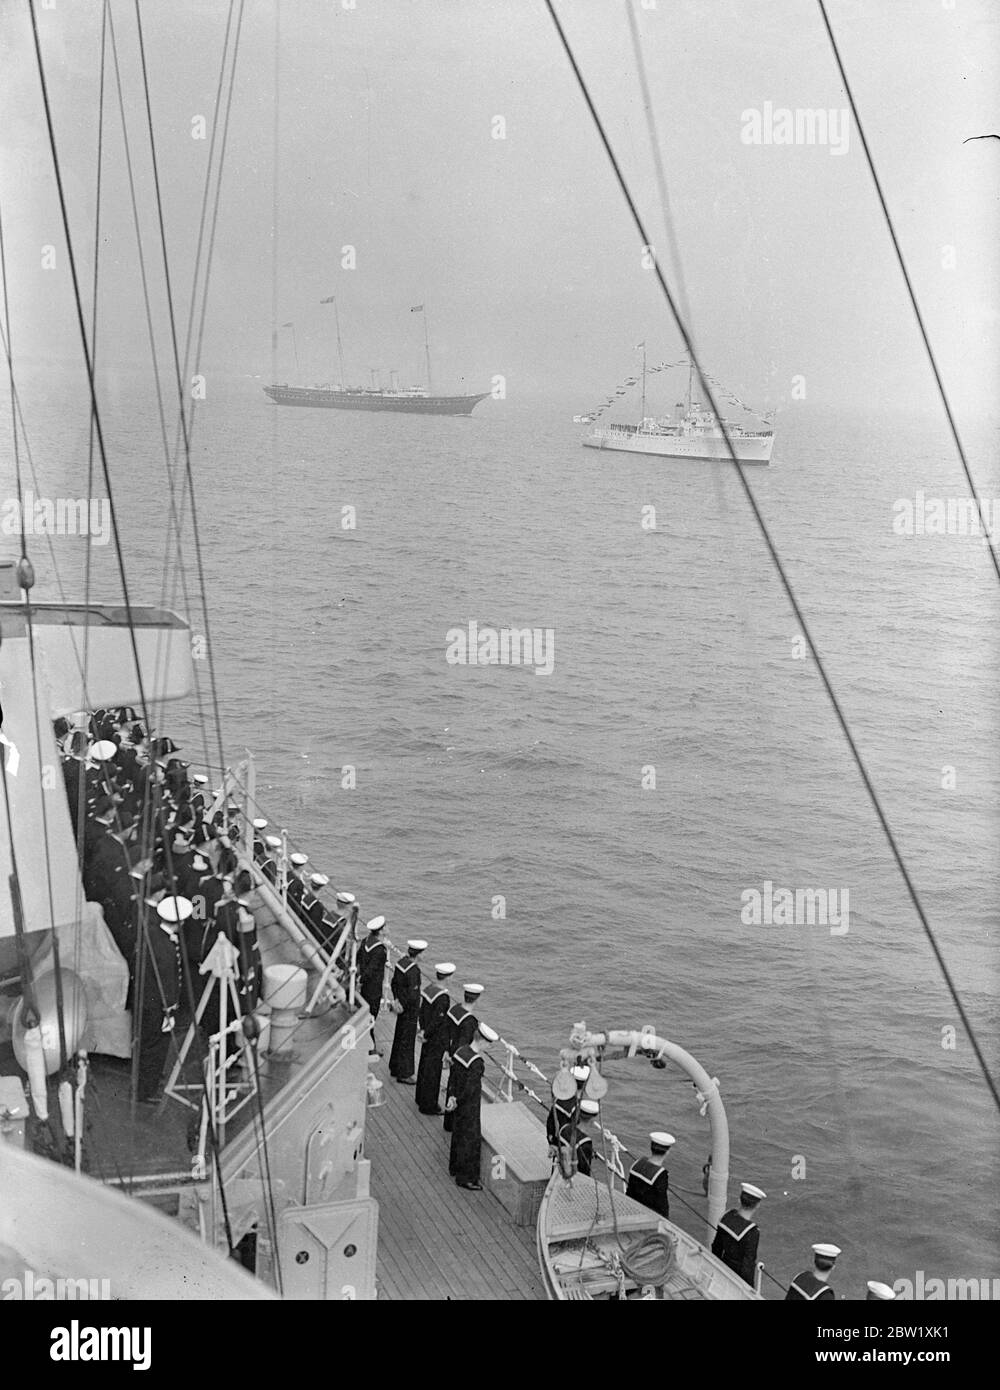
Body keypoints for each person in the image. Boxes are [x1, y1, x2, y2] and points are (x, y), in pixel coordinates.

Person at [136, 895, 191, 1103]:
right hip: (158, 1008)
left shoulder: (152, 934)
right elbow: (167, 981)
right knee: (155, 1048)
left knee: (149, 1045)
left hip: (148, 1002)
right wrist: (170, 1009)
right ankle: (147, 1091)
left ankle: (147, 1083)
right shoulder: (166, 948)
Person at [446, 1023, 498, 1189]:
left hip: (456, 1101)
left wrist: (453, 1098)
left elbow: (453, 1078)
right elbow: (471, 1088)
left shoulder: (460, 1052)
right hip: (469, 1106)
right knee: (470, 1140)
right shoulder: (477, 1063)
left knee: (458, 1134)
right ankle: (466, 1177)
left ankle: (454, 1167)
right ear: (482, 1041)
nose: (488, 1047)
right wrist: (460, 1100)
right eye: (488, 1043)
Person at [415, 962, 456, 1115]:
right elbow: (438, 1020)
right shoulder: (443, 997)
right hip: (436, 1039)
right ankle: (429, 1105)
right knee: (433, 1072)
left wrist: (422, 1031)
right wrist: (427, 1034)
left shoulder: (429, 990)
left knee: (424, 1067)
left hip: (426, 1034)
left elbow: (422, 1012)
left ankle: (420, 1097)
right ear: (448, 977)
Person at [444, 984, 484, 1131]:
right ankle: (453, 1122)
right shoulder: (470, 1021)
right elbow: (465, 1042)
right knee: (459, 1088)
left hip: (450, 1051)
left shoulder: (455, 1009)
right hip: (461, 1057)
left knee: (451, 1085)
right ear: (476, 999)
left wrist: (447, 1052)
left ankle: (448, 1121)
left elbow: (447, 1032)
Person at [711, 1182, 766, 1286]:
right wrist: (750, 1288)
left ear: (739, 1199)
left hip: (722, 1267)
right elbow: (748, 1265)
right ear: (758, 1205)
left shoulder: (727, 1216)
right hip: (737, 1277)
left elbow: (716, 1247)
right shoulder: (752, 1231)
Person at [388, 939, 427, 1083]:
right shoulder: (414, 970)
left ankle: (394, 1066)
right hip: (410, 1010)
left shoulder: (401, 963)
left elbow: (394, 984)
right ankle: (404, 1073)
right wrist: (403, 1005)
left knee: (399, 1036)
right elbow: (413, 993)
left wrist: (397, 1000)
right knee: (407, 1041)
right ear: (418, 954)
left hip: (401, 1005)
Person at [626, 1132, 674, 1218]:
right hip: (647, 1216)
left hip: (630, 1209)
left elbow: (629, 1192)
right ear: (667, 1152)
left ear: (651, 1147)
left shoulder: (637, 1163)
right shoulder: (661, 1174)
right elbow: (662, 1204)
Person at [358, 916, 387, 1055]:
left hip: (364, 987)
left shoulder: (365, 942)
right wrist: (362, 979)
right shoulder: (380, 950)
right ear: (381, 931)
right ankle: (369, 1048)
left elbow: (358, 958)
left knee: (365, 1015)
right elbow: (372, 969)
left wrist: (359, 979)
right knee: (371, 1018)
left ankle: (370, 1045)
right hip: (373, 989)